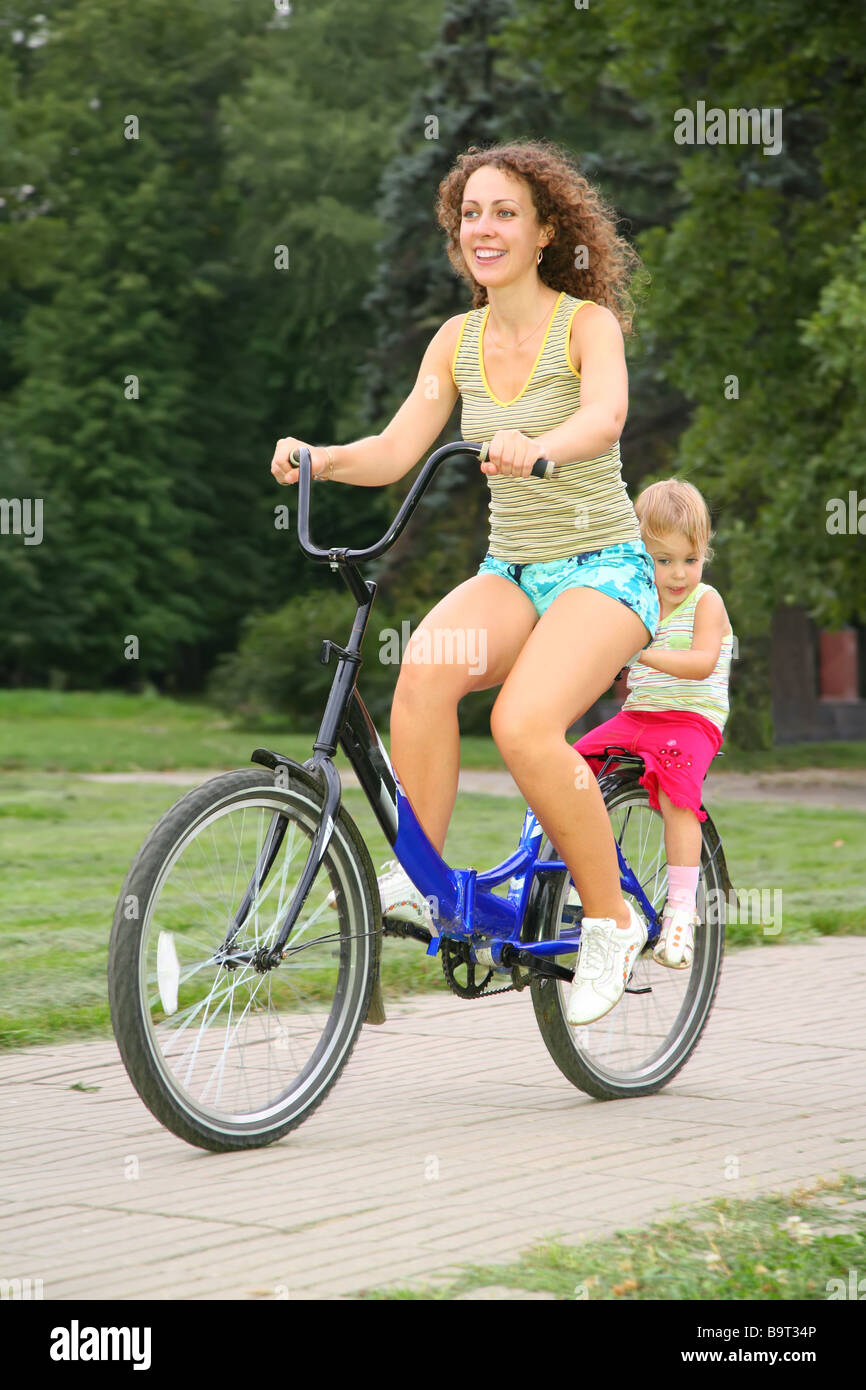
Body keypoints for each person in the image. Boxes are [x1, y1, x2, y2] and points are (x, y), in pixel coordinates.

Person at [270, 138, 659, 1026]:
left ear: (546, 228)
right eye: (470, 214)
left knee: (524, 724)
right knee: (423, 676)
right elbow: (397, 448)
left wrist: (540, 448)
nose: (483, 229)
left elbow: (605, 415)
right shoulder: (459, 338)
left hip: (603, 567)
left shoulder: (584, 325)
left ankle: (610, 920)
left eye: (504, 213)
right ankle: (419, 875)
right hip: (513, 572)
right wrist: (320, 458)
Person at [572, 478, 734, 977]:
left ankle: (681, 912)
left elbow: (703, 663)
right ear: (641, 555)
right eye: (663, 561)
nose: (678, 573)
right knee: (567, 766)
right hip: (638, 718)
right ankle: (589, 878)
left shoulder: (706, 602)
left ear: (704, 552)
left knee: (675, 794)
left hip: (690, 722)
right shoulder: (637, 599)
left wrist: (638, 651)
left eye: (689, 558)